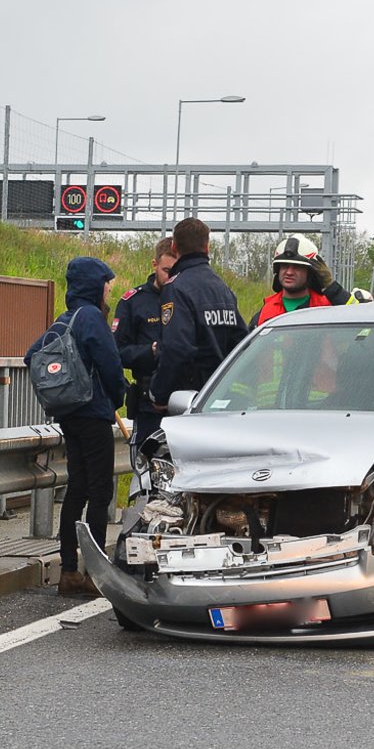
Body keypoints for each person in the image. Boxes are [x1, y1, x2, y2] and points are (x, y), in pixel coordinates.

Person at [31, 256, 126, 597]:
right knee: (100, 493)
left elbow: (32, 354)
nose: (108, 291)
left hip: (69, 414)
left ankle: (69, 571)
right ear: (95, 285)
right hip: (94, 414)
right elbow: (111, 366)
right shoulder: (92, 318)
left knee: (77, 489)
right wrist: (117, 397)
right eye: (107, 285)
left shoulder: (65, 319)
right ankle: (96, 574)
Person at [149, 217, 246, 415]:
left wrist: (159, 393)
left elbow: (177, 348)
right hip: (220, 395)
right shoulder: (222, 288)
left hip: (188, 398)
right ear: (207, 247)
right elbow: (242, 342)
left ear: (174, 247)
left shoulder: (176, 288)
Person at [113, 236, 176, 443]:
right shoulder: (133, 302)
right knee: (146, 458)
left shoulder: (187, 298)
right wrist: (150, 351)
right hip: (148, 404)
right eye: (166, 271)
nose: (170, 278)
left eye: (176, 272)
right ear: (154, 264)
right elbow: (117, 352)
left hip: (184, 403)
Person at [250, 235, 348, 329]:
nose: (289, 272)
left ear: (310, 273)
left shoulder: (327, 308)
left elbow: (354, 318)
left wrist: (332, 287)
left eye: (297, 267)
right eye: (285, 266)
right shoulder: (264, 313)